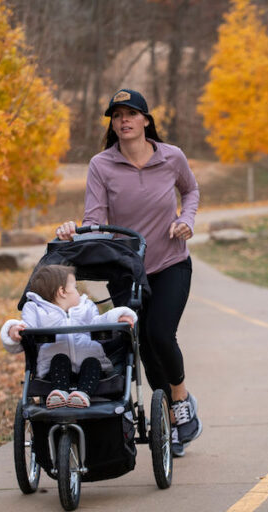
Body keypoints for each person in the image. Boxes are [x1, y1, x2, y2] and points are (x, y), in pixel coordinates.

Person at [56, 88, 201, 457]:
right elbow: (94, 218)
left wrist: (186, 221)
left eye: (130, 114)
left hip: (170, 263)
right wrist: (79, 231)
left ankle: (181, 400)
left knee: (160, 333)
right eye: (116, 115)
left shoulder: (172, 157)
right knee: (142, 347)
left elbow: (191, 190)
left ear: (146, 120)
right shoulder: (101, 165)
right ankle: (166, 417)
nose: (123, 120)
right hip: (126, 271)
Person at [0, 264, 137, 409]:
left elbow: (98, 322)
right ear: (62, 291)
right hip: (53, 373)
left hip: (90, 369)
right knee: (59, 359)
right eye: (75, 288)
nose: (79, 293)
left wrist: (117, 317)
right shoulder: (36, 310)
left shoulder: (86, 308)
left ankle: (82, 394)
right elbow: (27, 327)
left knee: (92, 363)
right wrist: (13, 330)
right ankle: (59, 392)